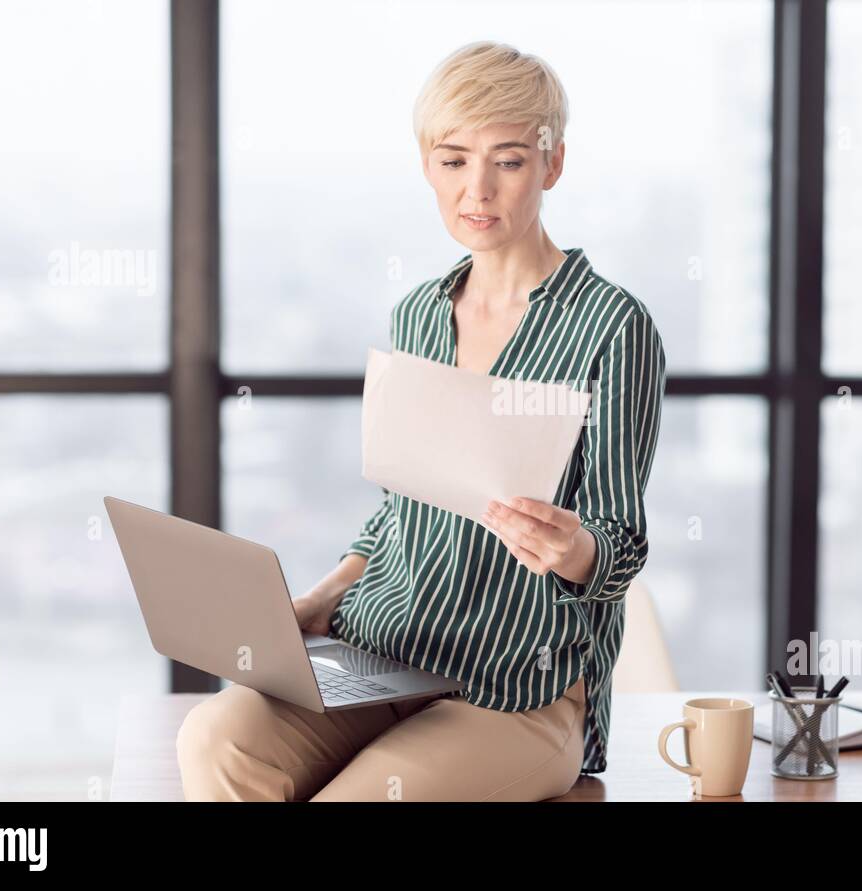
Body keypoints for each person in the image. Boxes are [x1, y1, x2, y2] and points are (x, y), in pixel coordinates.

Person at [176, 39, 666, 801]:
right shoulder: (419, 314)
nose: (478, 189)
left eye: (507, 160)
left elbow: (622, 545)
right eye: (452, 160)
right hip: (388, 650)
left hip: (516, 687)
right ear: (426, 166)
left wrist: (572, 547)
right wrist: (319, 599)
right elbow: (401, 509)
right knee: (214, 739)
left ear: (552, 164)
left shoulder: (614, 326)